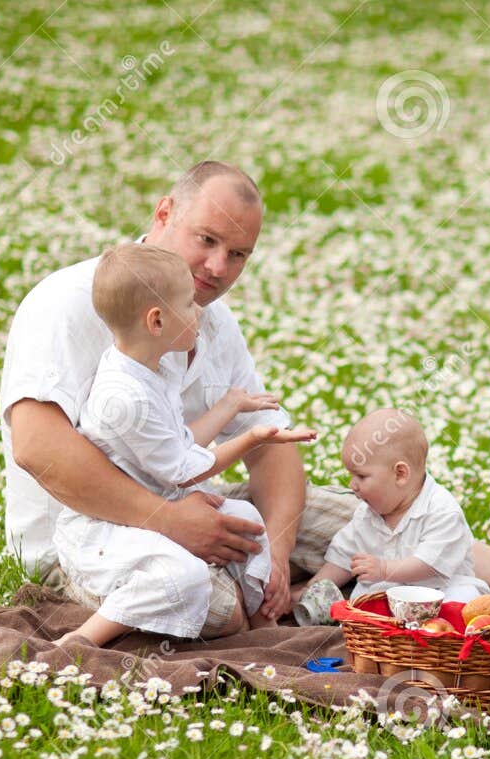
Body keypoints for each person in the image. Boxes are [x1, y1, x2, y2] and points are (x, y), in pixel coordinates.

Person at [0, 160, 490, 628]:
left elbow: (272, 446)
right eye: (205, 240)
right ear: (163, 215)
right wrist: (171, 523)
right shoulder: (69, 302)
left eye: (238, 254)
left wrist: (279, 557)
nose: (216, 267)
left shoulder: (210, 319)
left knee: (392, 519)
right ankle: (233, 598)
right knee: (215, 611)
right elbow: (39, 449)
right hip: (89, 537)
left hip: (201, 508)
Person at [53, 244, 313, 647]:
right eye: (189, 305)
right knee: (184, 577)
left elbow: (181, 442)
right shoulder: (125, 398)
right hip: (111, 527)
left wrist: (229, 405)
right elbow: (186, 468)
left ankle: (263, 620)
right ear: (157, 321)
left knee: (249, 519)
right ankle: (86, 637)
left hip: (164, 503)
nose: (199, 313)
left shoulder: (150, 368)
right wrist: (251, 439)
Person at [301, 408, 490, 603]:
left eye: (361, 476)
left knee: (465, 597)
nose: (352, 485)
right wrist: (310, 590)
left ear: (400, 474)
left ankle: (443, 629)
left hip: (441, 590)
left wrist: (383, 569)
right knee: (361, 602)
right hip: (390, 592)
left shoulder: (442, 510)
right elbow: (342, 558)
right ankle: (372, 628)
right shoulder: (367, 514)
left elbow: (429, 564)